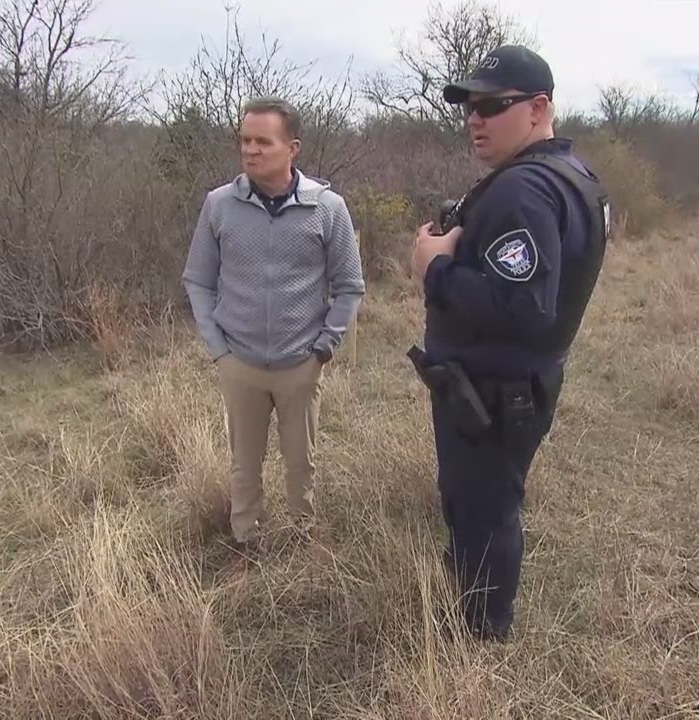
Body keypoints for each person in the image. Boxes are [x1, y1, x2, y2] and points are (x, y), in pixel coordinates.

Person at [408, 45, 611, 641]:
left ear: (538, 107)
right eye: (469, 107)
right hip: (520, 380)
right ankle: (473, 598)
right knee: (485, 502)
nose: (475, 118)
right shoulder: (576, 176)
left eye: (493, 106)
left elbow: (524, 306)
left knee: (484, 509)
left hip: (494, 390)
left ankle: (480, 632)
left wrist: (433, 269)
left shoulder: (523, 190)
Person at [183, 96, 365, 549]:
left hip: (300, 363)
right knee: (244, 463)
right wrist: (218, 350)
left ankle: (302, 539)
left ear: (293, 148)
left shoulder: (327, 209)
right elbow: (198, 281)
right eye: (245, 141)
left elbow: (350, 286)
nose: (251, 151)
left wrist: (325, 346)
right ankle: (246, 541)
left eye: (263, 141)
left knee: (300, 461)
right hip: (239, 362)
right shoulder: (219, 206)